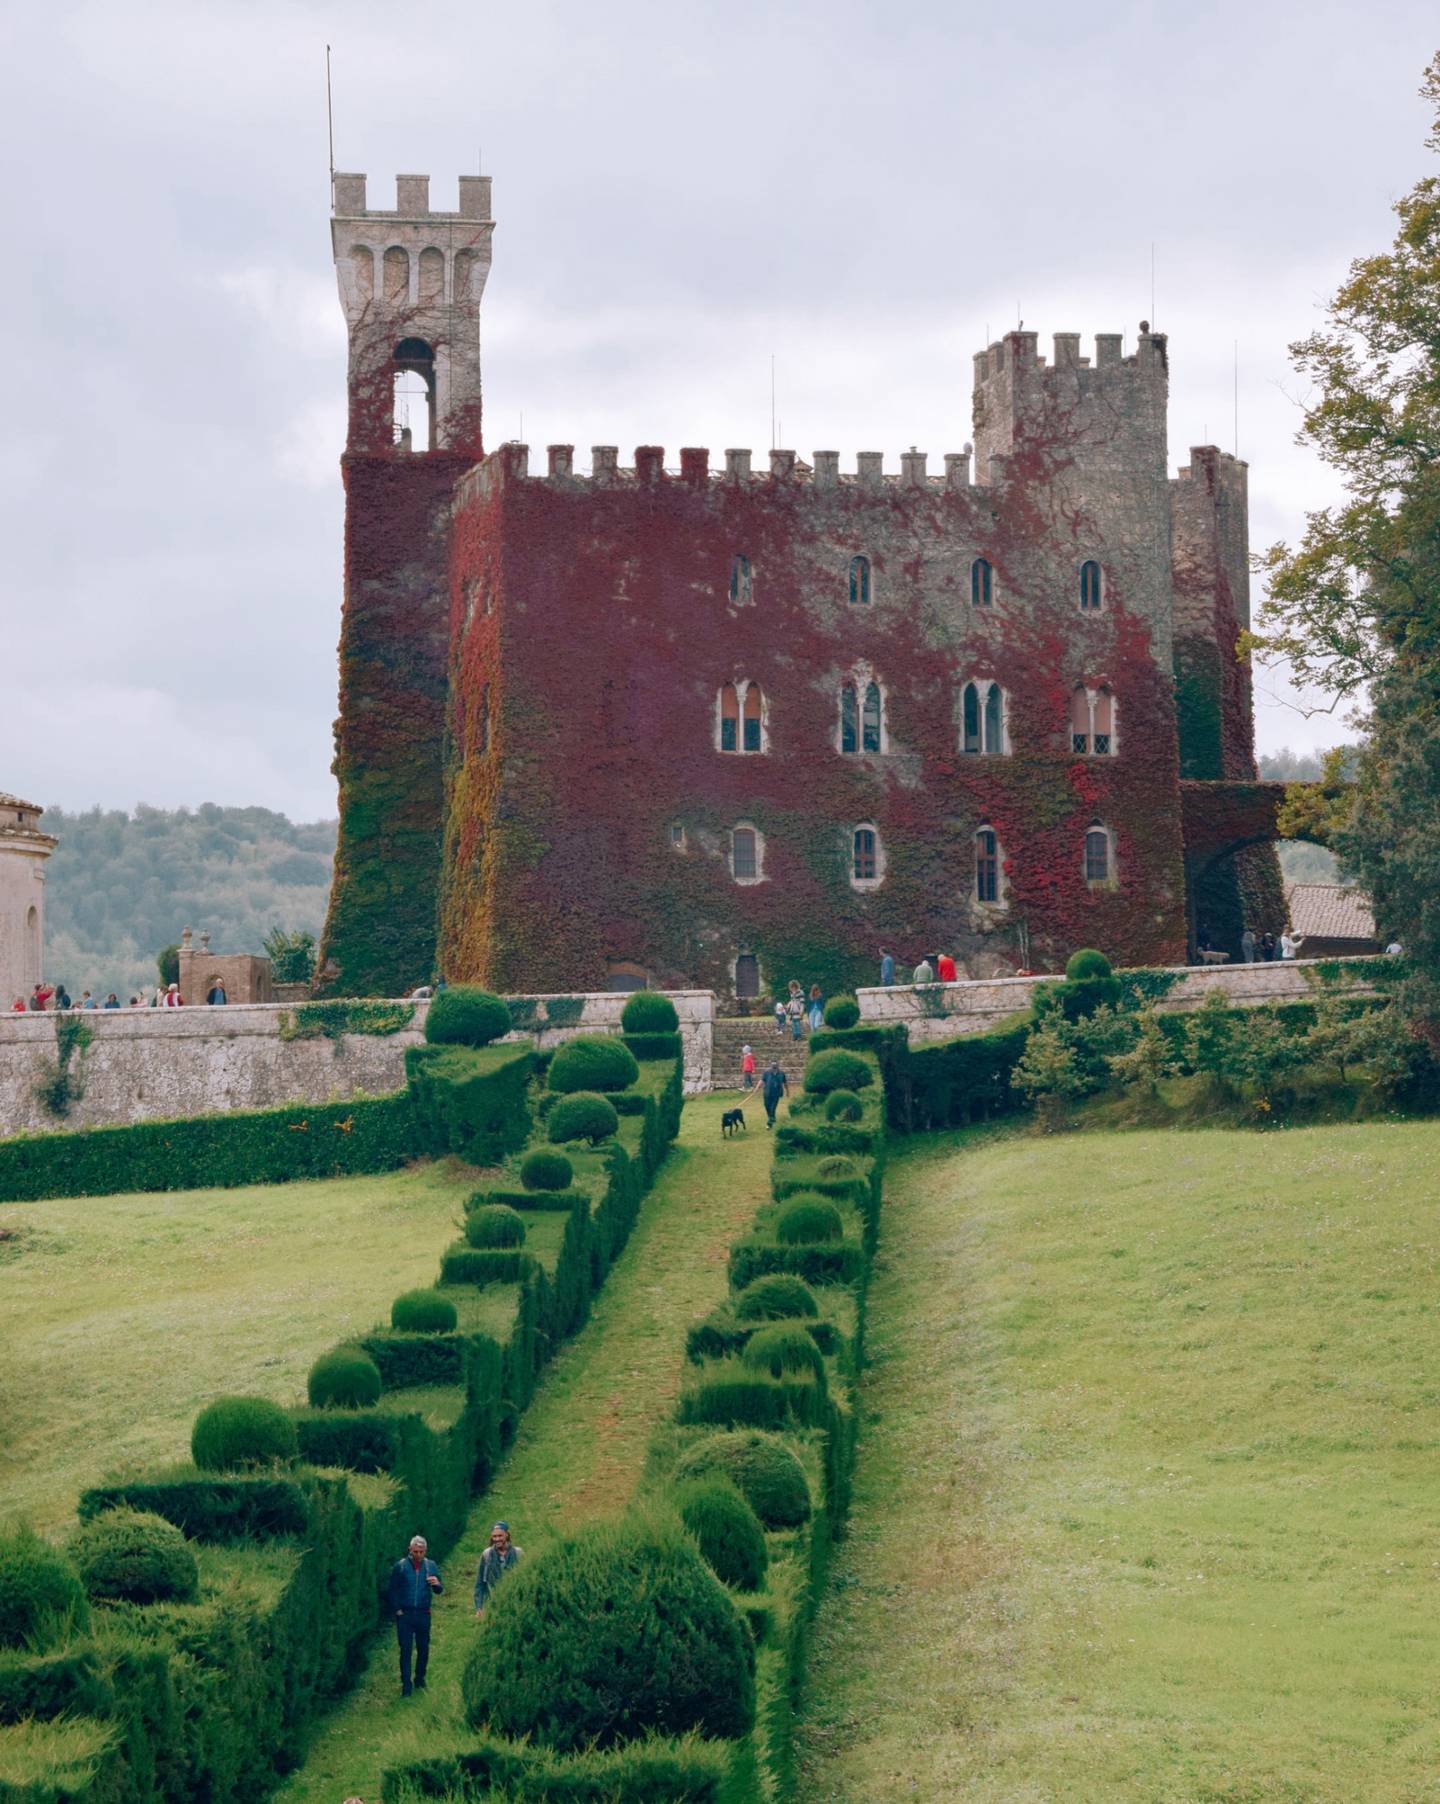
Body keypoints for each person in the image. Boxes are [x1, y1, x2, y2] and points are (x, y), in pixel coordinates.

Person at [387, 1534, 443, 1696]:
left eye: (421, 1552)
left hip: (423, 1614)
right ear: (410, 1550)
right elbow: (393, 1589)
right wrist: (397, 1610)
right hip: (405, 1614)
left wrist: (437, 1584)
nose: (418, 1555)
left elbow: (439, 1590)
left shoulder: (431, 1566)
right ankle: (406, 1684)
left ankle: (420, 1678)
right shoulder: (401, 1566)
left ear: (425, 1551)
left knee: (423, 1648)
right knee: (405, 1649)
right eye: (415, 1551)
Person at [473, 1521, 522, 1616]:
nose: (497, 1539)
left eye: (500, 1536)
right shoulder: (486, 1554)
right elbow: (480, 1583)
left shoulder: (518, 1553)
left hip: (515, 1603)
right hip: (493, 1602)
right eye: (494, 1536)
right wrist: (479, 1607)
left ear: (507, 1535)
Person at [761, 1059, 788, 1128]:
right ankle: (772, 1117)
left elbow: (785, 1083)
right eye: (772, 1065)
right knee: (767, 1106)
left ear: (777, 1065)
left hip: (776, 1094)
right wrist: (756, 1089)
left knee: (773, 1108)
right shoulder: (766, 1073)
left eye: (775, 1065)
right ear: (771, 1065)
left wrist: (787, 1091)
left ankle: (769, 1124)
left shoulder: (781, 1073)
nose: (774, 1066)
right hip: (767, 1093)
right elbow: (762, 1081)